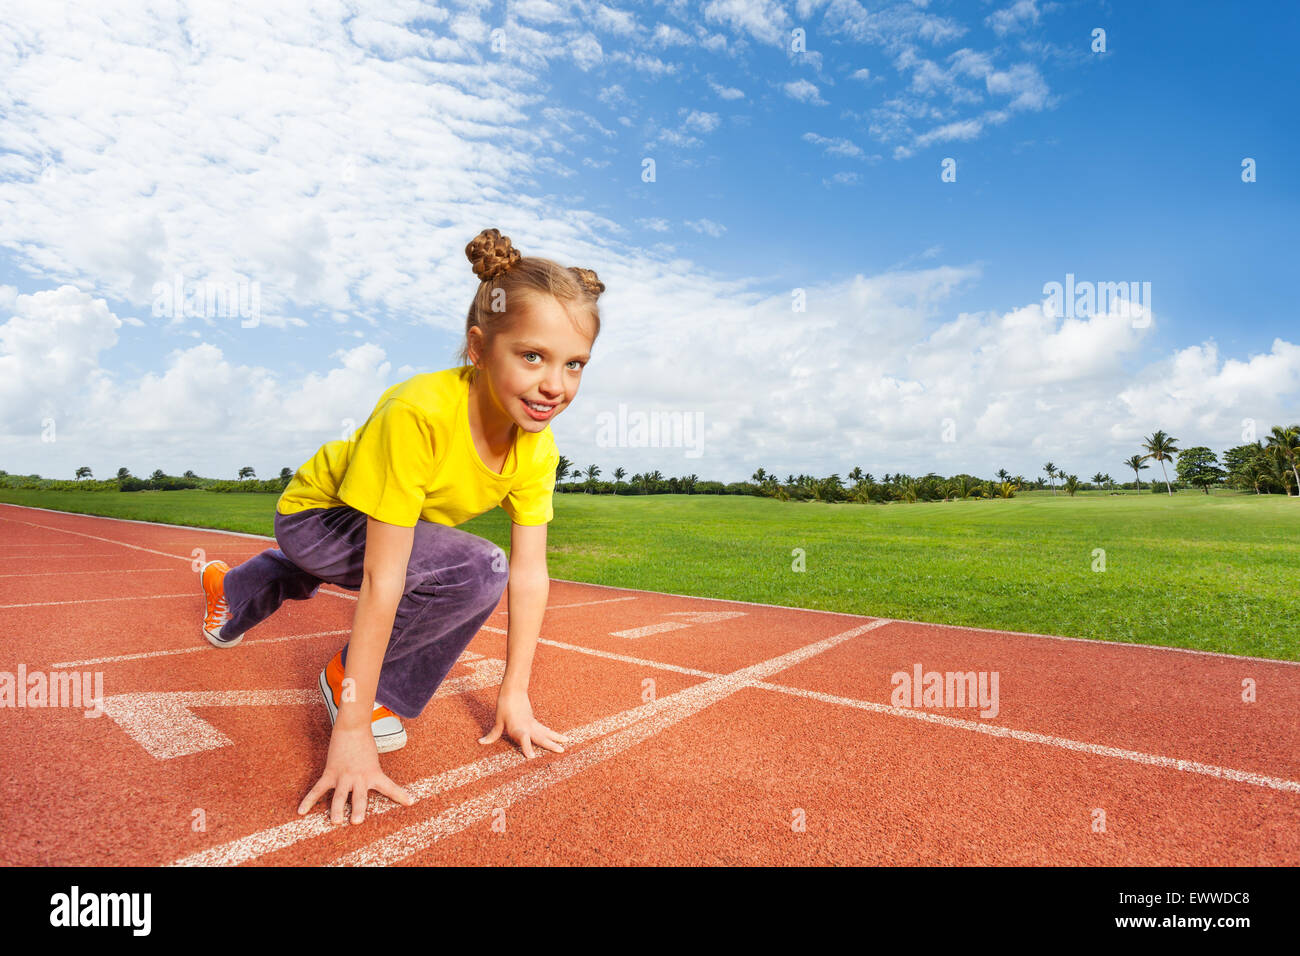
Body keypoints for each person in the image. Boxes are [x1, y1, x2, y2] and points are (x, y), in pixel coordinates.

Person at [196, 227, 604, 825]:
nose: (555, 385)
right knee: (473, 565)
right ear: (478, 347)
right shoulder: (416, 412)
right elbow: (385, 577)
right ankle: (349, 678)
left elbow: (531, 572)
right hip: (320, 516)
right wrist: (354, 722)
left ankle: (231, 589)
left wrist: (513, 695)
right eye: (532, 356)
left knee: (467, 564)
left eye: (575, 365)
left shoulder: (537, 450)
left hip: (389, 527)